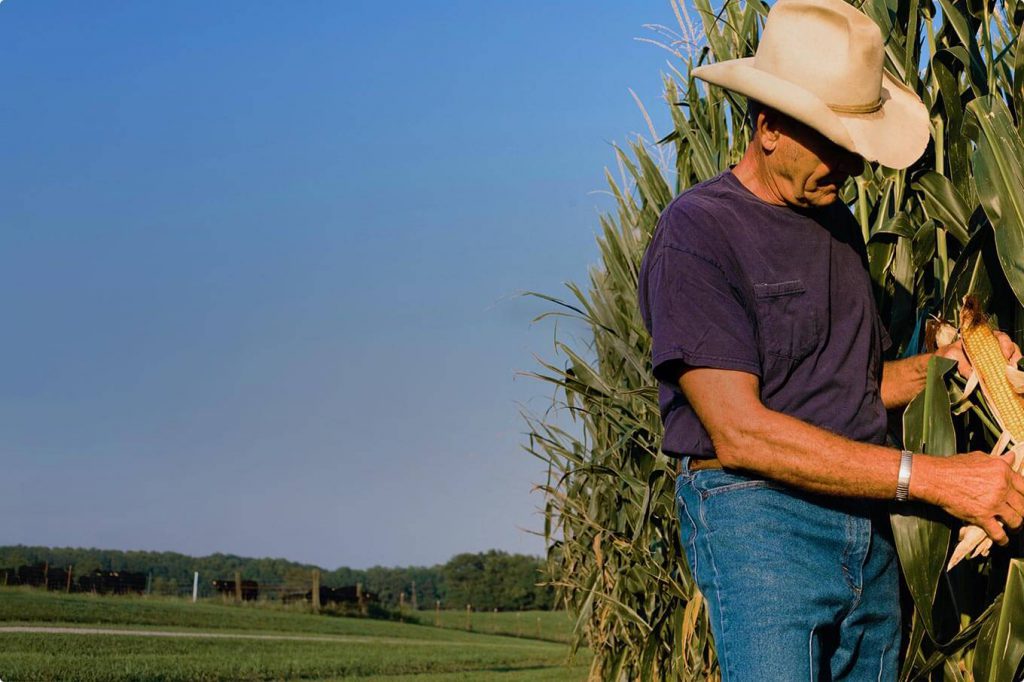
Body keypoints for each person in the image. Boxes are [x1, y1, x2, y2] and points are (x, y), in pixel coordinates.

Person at [636, 0, 1024, 678]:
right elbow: (741, 433)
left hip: (867, 528)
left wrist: (945, 366)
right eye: (832, 142)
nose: (851, 167)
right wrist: (933, 480)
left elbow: (853, 384)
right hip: (759, 520)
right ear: (768, 127)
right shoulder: (699, 233)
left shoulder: (838, 230)